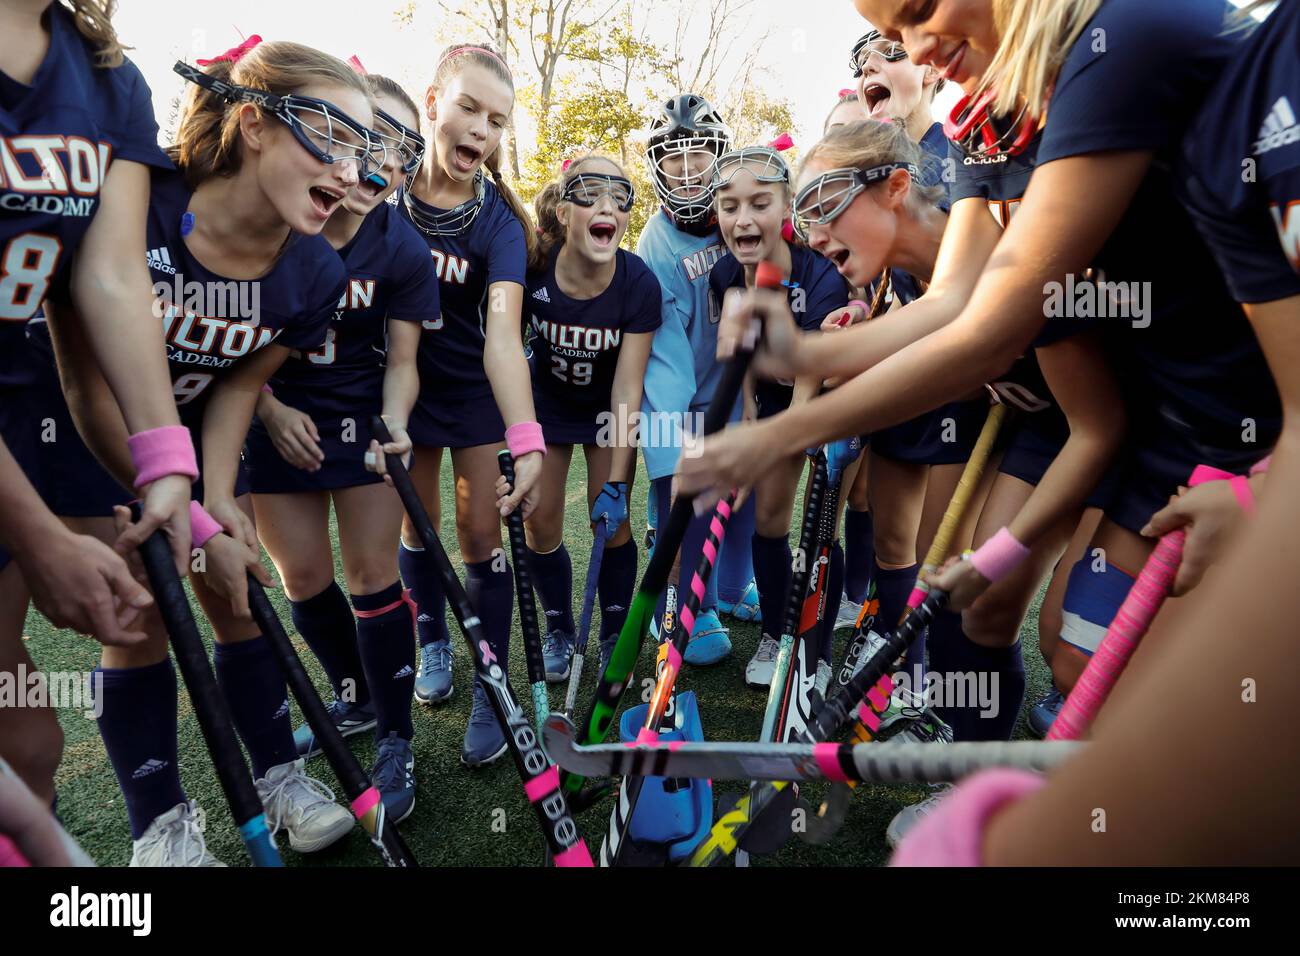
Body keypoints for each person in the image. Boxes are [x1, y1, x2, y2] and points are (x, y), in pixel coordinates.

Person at [34, 38, 379, 864]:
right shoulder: (136, 201)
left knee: (238, 593)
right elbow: (91, 389)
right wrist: (189, 515)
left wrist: (217, 498)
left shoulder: (314, 272)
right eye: (333, 138)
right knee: (144, 610)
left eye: (365, 152)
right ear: (255, 125)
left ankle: (279, 778)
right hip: (83, 439)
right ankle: (159, 826)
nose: (352, 170)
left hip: (193, 444)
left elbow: (235, 385)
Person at [0, 0, 194, 808]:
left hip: (14, 402)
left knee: (25, 747)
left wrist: (166, 465)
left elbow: (110, 280)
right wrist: (38, 534)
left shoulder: (107, 74)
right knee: (25, 743)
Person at [244, 72, 438, 823]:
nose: (373, 164)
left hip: (361, 421)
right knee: (302, 578)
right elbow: (224, 343)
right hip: (275, 418)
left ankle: (395, 735)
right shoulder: (275, 223)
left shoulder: (401, 248)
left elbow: (401, 362)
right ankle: (353, 697)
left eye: (394, 148)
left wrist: (394, 421)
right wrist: (265, 407)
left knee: (371, 572)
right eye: (362, 141)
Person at [395, 43, 543, 766]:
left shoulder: (500, 225)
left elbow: (504, 336)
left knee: (479, 534)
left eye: (497, 120)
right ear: (431, 103)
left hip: (475, 395)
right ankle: (430, 644)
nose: (481, 130)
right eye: (468, 108)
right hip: (401, 393)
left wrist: (527, 434)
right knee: (417, 530)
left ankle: (490, 678)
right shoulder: (382, 194)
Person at [704, 144, 849, 688]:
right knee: (769, 521)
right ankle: (773, 629)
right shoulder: (723, 275)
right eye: (730, 206)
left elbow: (813, 373)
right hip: (770, 400)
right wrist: (747, 424)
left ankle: (819, 644)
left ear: (787, 205)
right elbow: (740, 361)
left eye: (760, 203)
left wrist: (791, 436)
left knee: (817, 525)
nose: (744, 219)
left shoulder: (819, 275)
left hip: (830, 402)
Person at [511, 155, 658, 678]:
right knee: (539, 523)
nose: (607, 206)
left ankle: (614, 631)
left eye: (620, 197)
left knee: (608, 524)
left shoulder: (638, 282)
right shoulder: (532, 266)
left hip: (605, 414)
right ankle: (558, 626)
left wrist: (617, 480)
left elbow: (627, 385)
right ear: (564, 211)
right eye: (591, 193)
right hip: (547, 408)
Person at [636, 93, 754, 665]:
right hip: (683, 400)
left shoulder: (738, 214)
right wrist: (682, 442)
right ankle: (690, 605)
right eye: (672, 158)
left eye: (698, 155)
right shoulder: (655, 244)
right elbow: (664, 358)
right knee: (690, 495)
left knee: (746, 496)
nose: (686, 170)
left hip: (738, 387)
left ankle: (731, 589)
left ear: (720, 155)